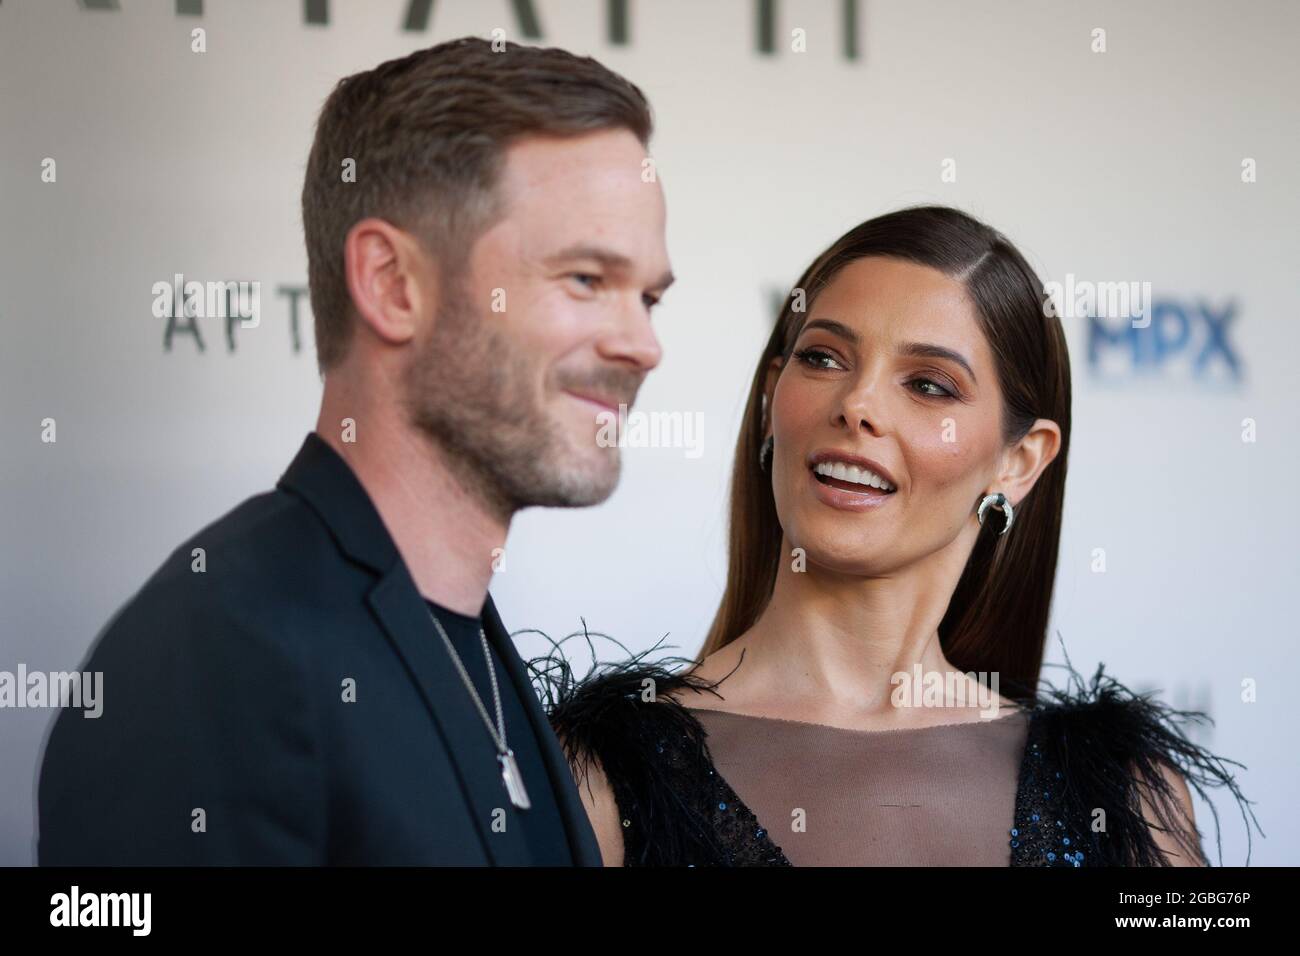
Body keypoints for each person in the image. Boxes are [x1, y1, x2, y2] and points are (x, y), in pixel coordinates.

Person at [38, 36, 673, 865]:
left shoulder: (469, 642)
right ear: (391, 283)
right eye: (587, 279)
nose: (642, 345)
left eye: (649, 297)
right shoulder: (219, 655)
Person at [534, 205, 1261, 867]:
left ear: (1018, 461)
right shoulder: (599, 773)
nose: (856, 404)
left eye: (930, 385)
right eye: (823, 358)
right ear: (770, 403)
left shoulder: (1127, 797)